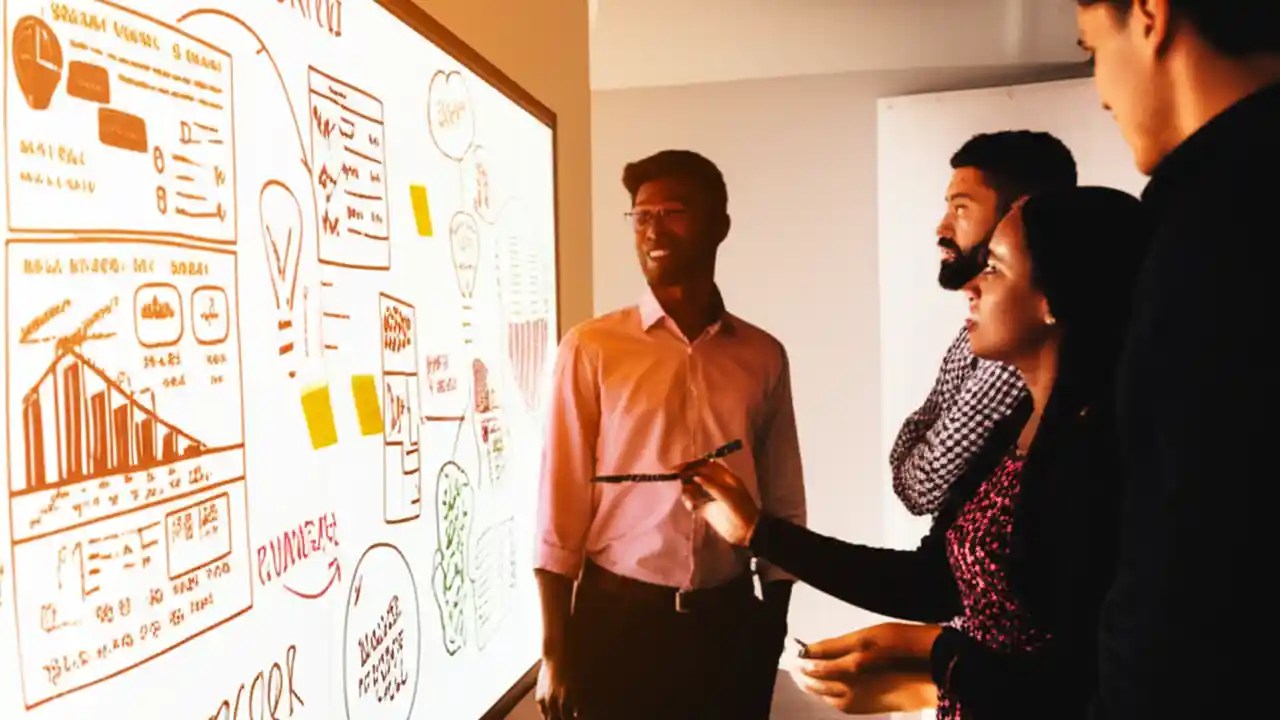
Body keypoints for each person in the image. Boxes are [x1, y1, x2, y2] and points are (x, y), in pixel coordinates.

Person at [681, 187, 1150, 719]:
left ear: (1053, 300)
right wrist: (757, 532)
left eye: (993, 269)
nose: (971, 287)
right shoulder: (1018, 429)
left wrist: (923, 658)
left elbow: (1075, 675)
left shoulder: (1098, 457)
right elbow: (934, 580)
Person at [532, 149, 806, 720]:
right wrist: (555, 652)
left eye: (673, 211)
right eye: (640, 215)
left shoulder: (761, 356)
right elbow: (557, 510)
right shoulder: (590, 349)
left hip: (728, 623)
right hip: (617, 623)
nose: (652, 229)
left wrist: (770, 629)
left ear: (719, 226)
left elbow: (783, 499)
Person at [1073, 2, 1280, 716]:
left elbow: (1182, 565)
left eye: (1090, 47)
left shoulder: (1211, 232)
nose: (1099, 88)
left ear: (1151, 16)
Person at [890, 131, 1077, 517]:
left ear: (1018, 210)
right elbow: (908, 462)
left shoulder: (1017, 343)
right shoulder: (978, 331)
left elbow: (920, 483)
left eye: (961, 209)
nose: (941, 228)